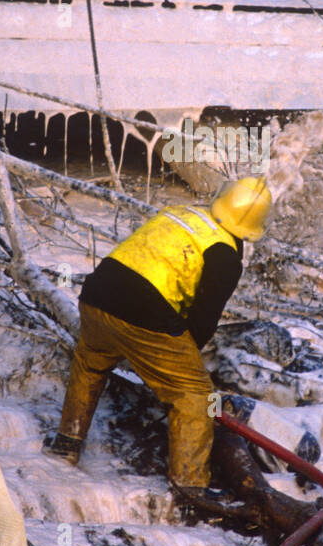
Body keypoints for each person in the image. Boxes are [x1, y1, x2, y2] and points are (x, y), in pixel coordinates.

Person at [44, 177, 274, 500]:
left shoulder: (182, 213)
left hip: (96, 294)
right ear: (255, 225)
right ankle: (190, 488)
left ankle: (67, 442)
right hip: (144, 311)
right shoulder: (225, 254)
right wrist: (179, 364)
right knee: (194, 394)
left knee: (90, 363)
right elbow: (204, 320)